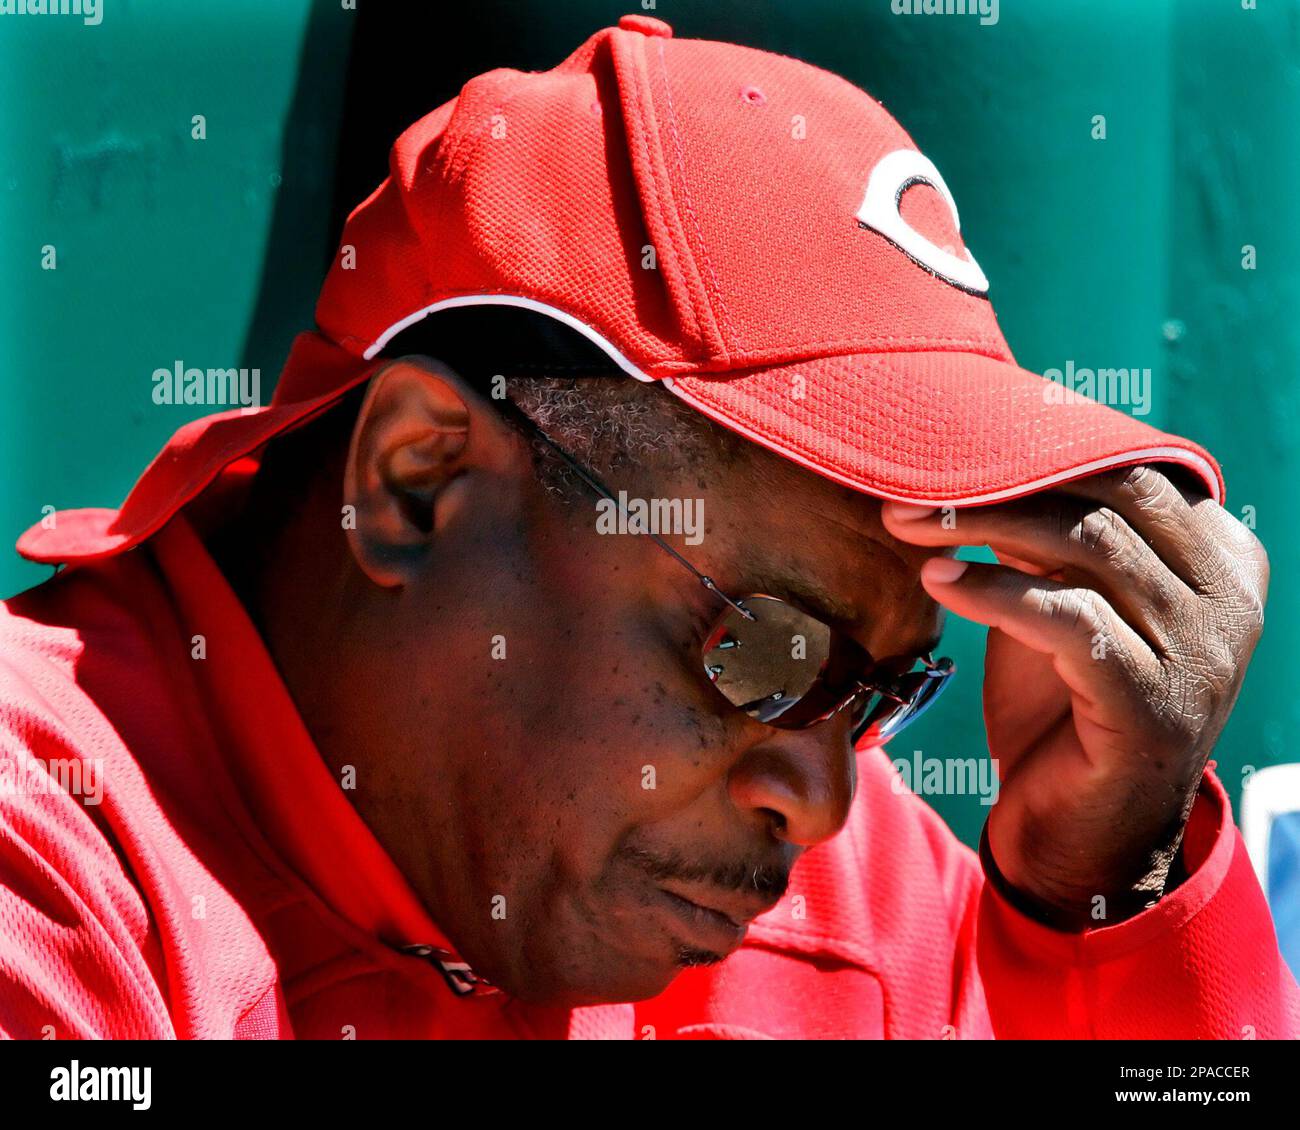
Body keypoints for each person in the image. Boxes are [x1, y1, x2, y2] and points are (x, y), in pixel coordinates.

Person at [1, 15, 1294, 1039]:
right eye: (767, 651)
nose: (823, 804)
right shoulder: (46, 852)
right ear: (415, 483)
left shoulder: (851, 895)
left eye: (876, 695)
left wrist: (1108, 901)